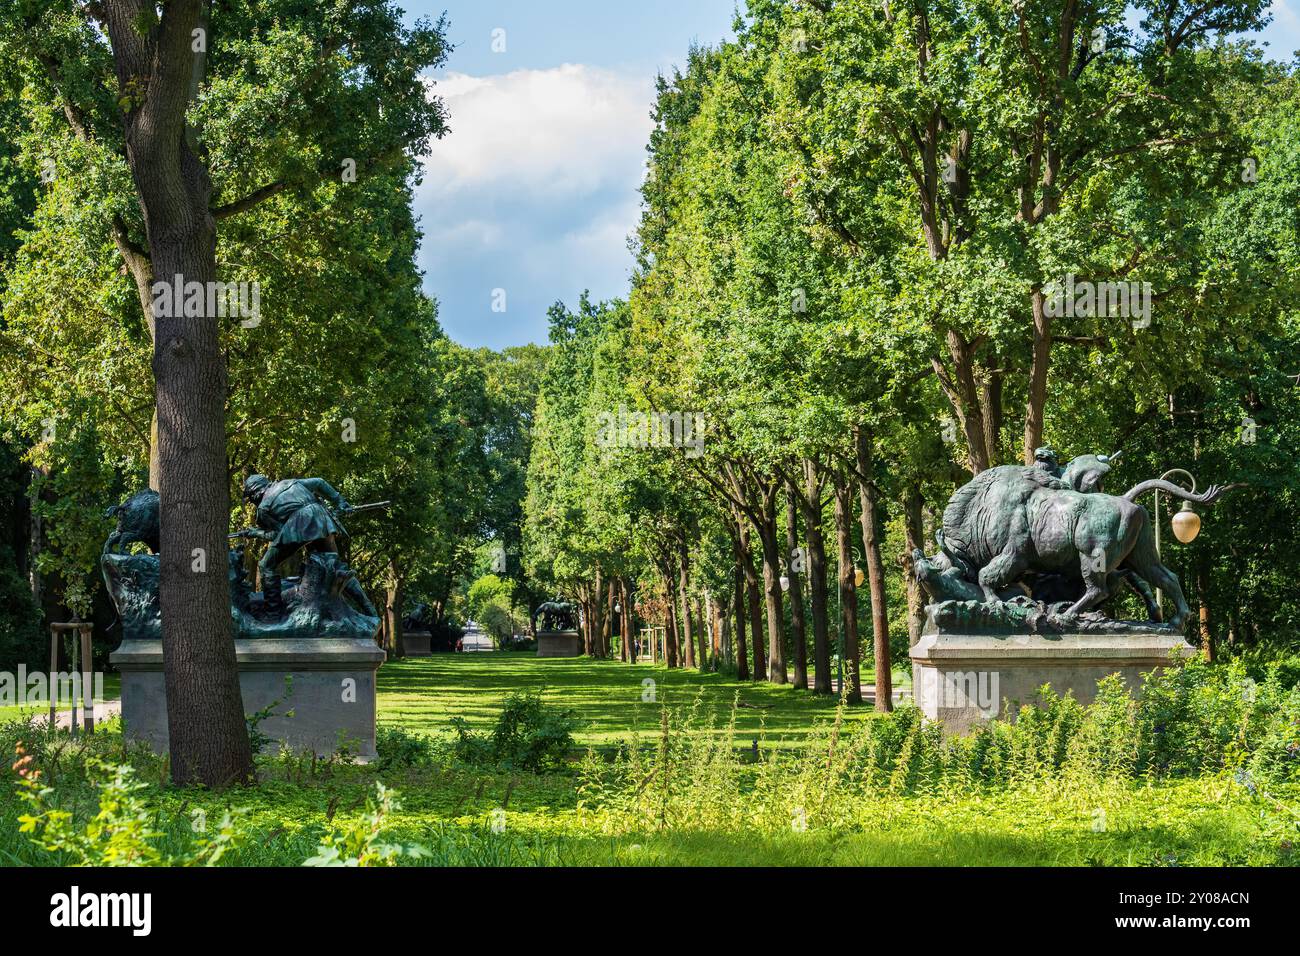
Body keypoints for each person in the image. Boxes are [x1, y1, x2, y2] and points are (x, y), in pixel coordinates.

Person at [239, 473, 376, 617]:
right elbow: (319, 482)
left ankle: (273, 612)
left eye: (250, 497)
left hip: (299, 525)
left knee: (266, 565)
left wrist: (255, 533)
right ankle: (370, 610)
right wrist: (340, 501)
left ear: (255, 493)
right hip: (321, 518)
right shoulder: (289, 483)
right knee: (336, 566)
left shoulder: (263, 509)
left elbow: (278, 535)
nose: (251, 501)